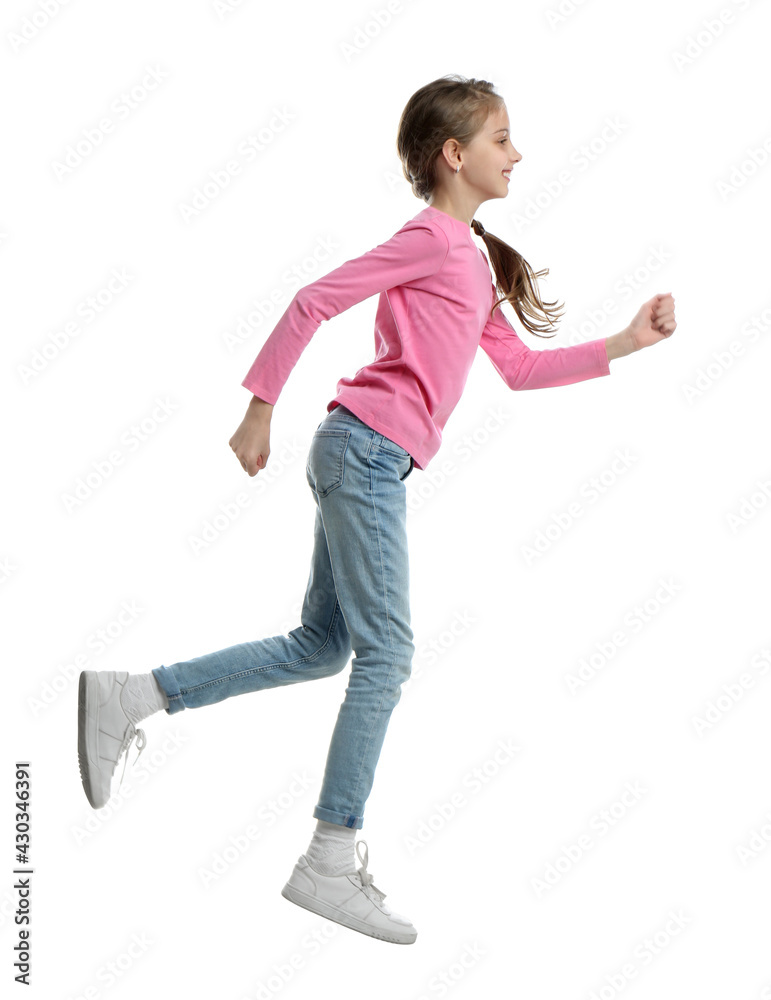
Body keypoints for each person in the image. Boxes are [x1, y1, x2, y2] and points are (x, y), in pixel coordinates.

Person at [77, 74, 676, 946]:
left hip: (367, 458)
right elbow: (314, 299)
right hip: (360, 452)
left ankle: (132, 695)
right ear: (454, 154)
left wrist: (625, 341)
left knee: (323, 646)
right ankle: (329, 855)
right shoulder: (430, 238)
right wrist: (258, 406)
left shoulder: (469, 257)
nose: (518, 154)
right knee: (386, 651)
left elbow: (519, 370)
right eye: (502, 138)